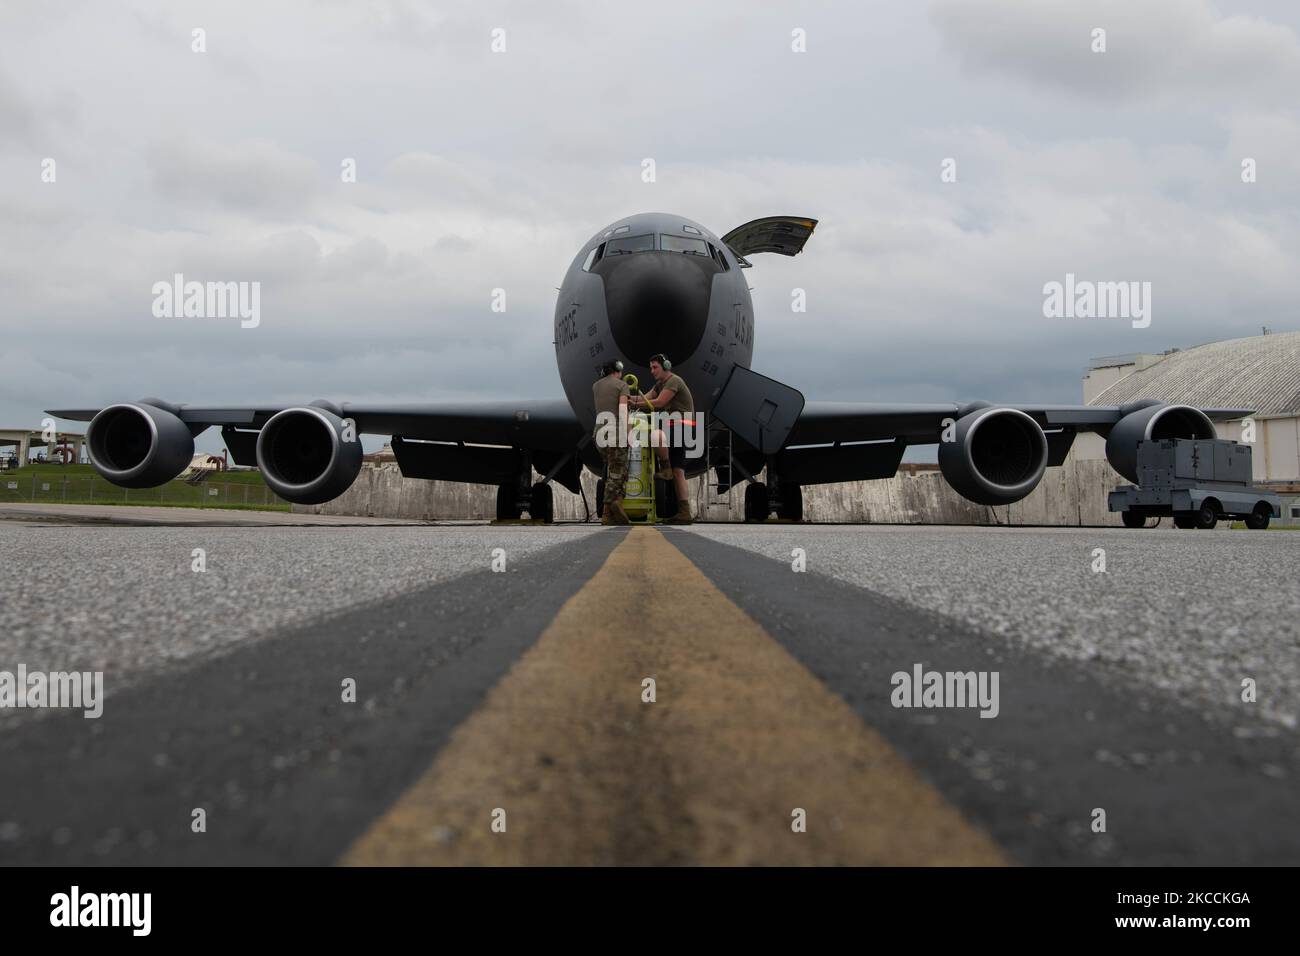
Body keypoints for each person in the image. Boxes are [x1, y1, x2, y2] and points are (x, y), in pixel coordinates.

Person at [631, 353, 694, 524]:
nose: (651, 371)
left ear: (666, 366)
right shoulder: (660, 384)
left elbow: (658, 402)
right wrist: (626, 398)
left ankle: (665, 467)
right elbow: (646, 397)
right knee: (678, 472)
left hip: (681, 425)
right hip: (672, 426)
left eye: (655, 367)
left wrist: (635, 404)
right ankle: (684, 511)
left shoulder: (674, 381)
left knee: (655, 436)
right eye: (651, 367)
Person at [591, 360, 631, 525]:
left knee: (611, 471)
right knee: (618, 473)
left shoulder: (596, 386)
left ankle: (608, 516)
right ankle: (614, 504)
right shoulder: (621, 385)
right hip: (615, 432)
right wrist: (628, 433)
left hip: (599, 432)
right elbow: (623, 410)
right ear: (619, 370)